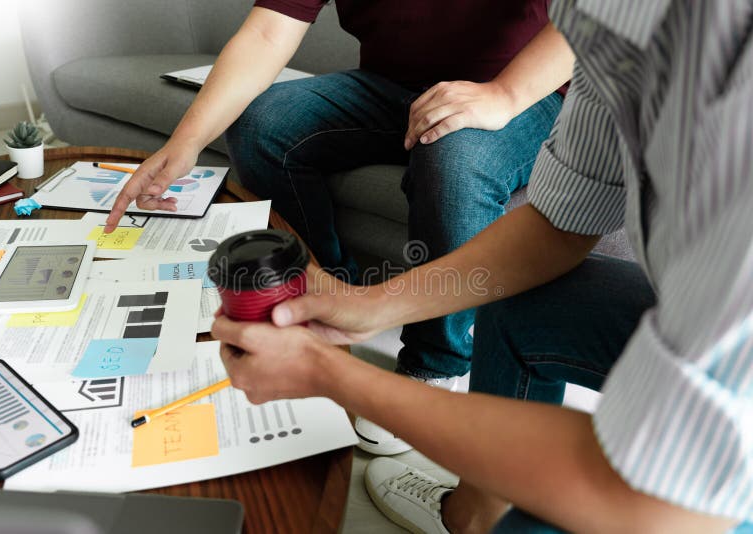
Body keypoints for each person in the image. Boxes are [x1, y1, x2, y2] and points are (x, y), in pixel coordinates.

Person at [210, 0, 753, 532]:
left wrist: (330, 373)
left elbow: (661, 504)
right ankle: (469, 513)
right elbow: (555, 229)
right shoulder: (613, 28)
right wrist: (367, 304)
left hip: (693, 499)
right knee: (526, 300)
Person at [103, 1, 575, 454]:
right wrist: (184, 144)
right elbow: (268, 32)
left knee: (453, 161)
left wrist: (503, 95)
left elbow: (602, 14)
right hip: (390, 88)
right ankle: (330, 298)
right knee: (262, 124)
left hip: (519, 93)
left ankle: (436, 363)